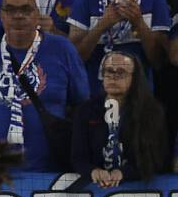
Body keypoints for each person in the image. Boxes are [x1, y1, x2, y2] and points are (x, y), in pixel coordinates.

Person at [0, 0, 90, 170]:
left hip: (50, 171)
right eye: (10, 10)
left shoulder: (62, 49)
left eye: (26, 9)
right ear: (1, 16)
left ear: (37, 15)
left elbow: (83, 105)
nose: (18, 16)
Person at [70, 50, 172, 184]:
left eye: (121, 72)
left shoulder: (151, 112)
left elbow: (155, 159)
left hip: (137, 188)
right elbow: (78, 157)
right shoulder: (85, 110)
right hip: (95, 187)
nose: (113, 77)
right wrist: (92, 171)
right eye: (109, 71)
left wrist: (124, 173)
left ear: (134, 78)